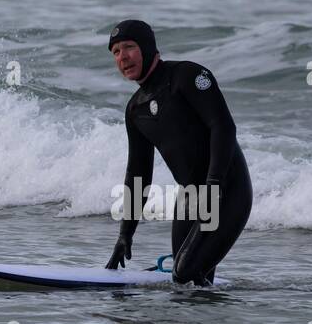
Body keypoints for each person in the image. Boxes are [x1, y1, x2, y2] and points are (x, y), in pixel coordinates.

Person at [104, 19, 252, 286]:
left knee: (183, 273)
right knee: (189, 280)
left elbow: (224, 126)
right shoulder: (135, 110)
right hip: (190, 198)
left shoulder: (187, 76)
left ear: (148, 48)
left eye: (129, 47)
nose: (123, 57)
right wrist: (125, 234)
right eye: (115, 52)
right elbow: (138, 173)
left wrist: (214, 183)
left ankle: (222, 321)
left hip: (226, 190)